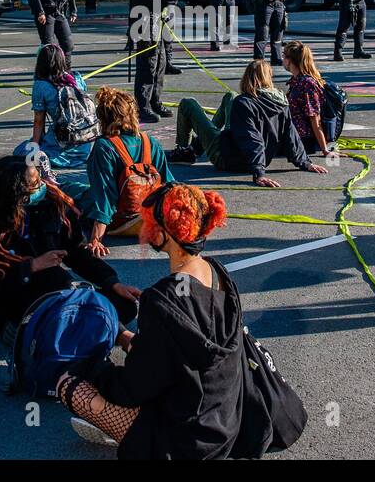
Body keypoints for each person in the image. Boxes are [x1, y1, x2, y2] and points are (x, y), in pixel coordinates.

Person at [55, 182, 278, 459]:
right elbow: (184, 347)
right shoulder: (219, 273)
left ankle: (125, 432)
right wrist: (128, 339)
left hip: (185, 441)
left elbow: (134, 387)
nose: (144, 230)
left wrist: (95, 370)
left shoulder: (162, 299)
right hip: (228, 418)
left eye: (148, 223)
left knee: (68, 384)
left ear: (165, 233)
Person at [0, 155, 140, 343]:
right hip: (7, 298)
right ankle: (111, 333)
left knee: (125, 305)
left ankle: (54, 327)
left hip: (54, 294)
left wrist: (111, 282)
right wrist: (30, 267)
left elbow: (76, 252)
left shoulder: (53, 204)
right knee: (57, 281)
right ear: (15, 193)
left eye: (40, 179)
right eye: (35, 183)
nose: (42, 185)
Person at [168, 59, 328, 187]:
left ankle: (184, 151)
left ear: (247, 77)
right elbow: (290, 135)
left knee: (188, 103)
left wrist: (259, 173)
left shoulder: (244, 103)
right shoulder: (281, 102)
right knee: (230, 95)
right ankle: (196, 147)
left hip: (228, 158)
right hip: (253, 157)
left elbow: (252, 139)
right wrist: (305, 163)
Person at [84, 87, 174, 254]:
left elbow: (105, 196)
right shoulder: (150, 142)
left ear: (103, 118)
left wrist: (96, 239)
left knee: (70, 190)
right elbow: (169, 184)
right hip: (150, 213)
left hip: (120, 221)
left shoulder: (104, 146)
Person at [13, 43, 95, 169]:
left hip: (61, 143)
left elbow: (39, 121)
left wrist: (34, 147)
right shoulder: (76, 78)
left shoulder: (41, 85)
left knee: (20, 151)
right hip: (84, 145)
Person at [128, 0, 178, 123]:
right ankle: (143, 106)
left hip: (146, 16)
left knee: (160, 62)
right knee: (148, 64)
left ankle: (154, 101)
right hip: (148, 18)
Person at [282, 41, 338, 156]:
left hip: (301, 139)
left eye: (284, 56)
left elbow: (315, 119)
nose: (282, 59)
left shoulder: (307, 84)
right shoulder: (296, 79)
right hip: (291, 133)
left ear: (290, 60)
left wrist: (325, 150)